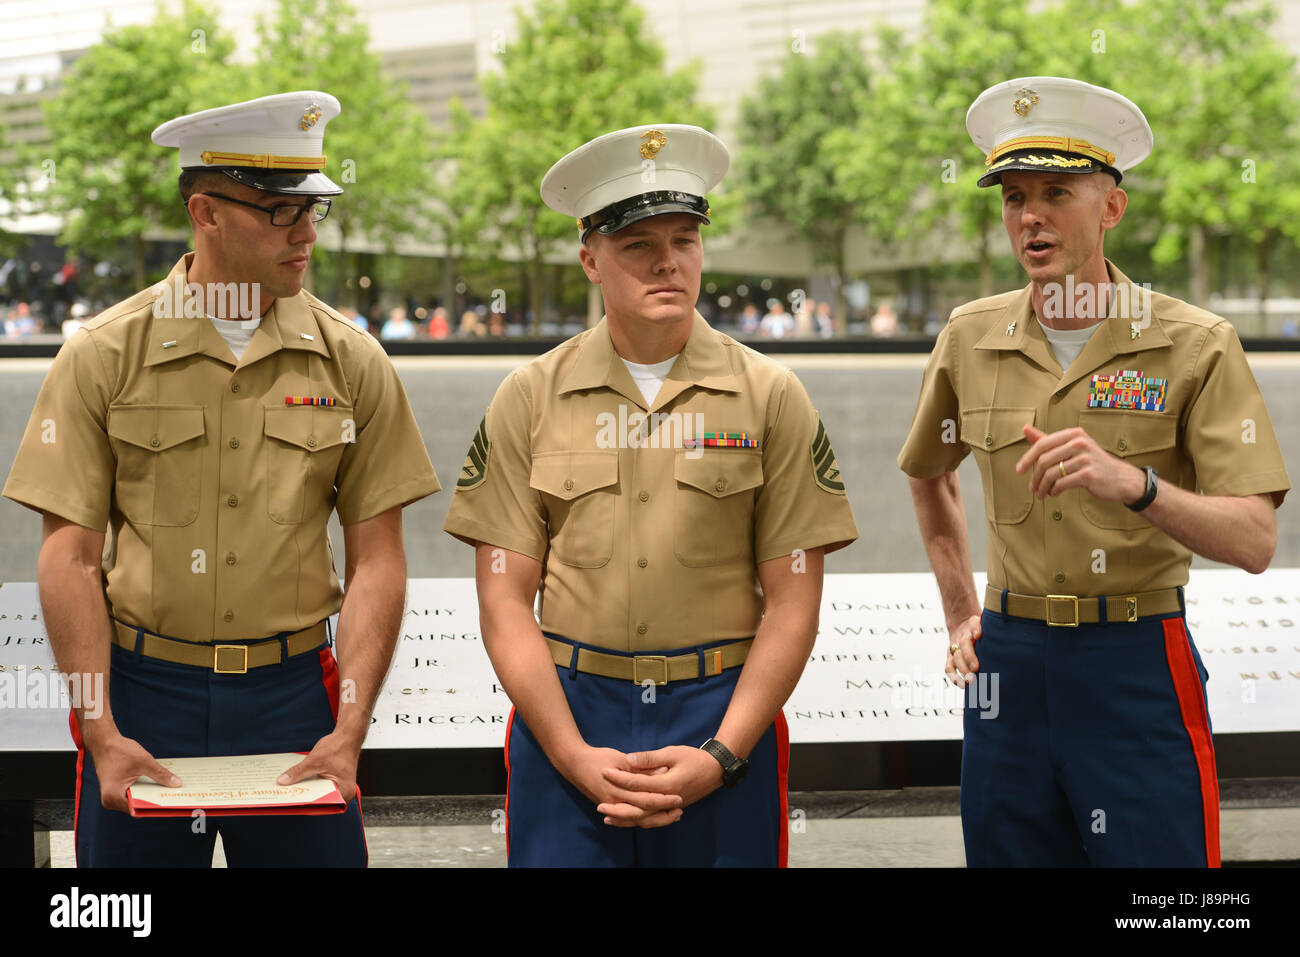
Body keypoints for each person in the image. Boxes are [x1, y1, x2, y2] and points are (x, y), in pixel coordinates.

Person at [2, 91, 440, 867]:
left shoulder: (353, 361)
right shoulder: (103, 355)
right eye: (279, 210)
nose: (306, 233)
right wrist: (99, 730)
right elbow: (68, 557)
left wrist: (349, 728)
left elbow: (378, 557)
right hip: (142, 697)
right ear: (206, 212)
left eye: (314, 210)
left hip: (297, 699)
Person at [898, 76, 1290, 867]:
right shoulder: (969, 336)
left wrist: (1135, 485)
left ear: (1110, 208)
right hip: (1006, 664)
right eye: (1012, 197)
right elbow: (927, 472)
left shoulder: (1196, 342)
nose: (1028, 216)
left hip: (1136, 659)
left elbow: (1255, 537)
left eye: (1054, 192)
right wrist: (957, 611)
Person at [443, 124, 858, 867]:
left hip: (721, 712)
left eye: (685, 238)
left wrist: (721, 754)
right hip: (569, 710)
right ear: (590, 258)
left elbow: (794, 601)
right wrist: (571, 753)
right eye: (638, 243)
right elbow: (504, 600)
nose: (668, 261)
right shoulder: (529, 397)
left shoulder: (770, 397)